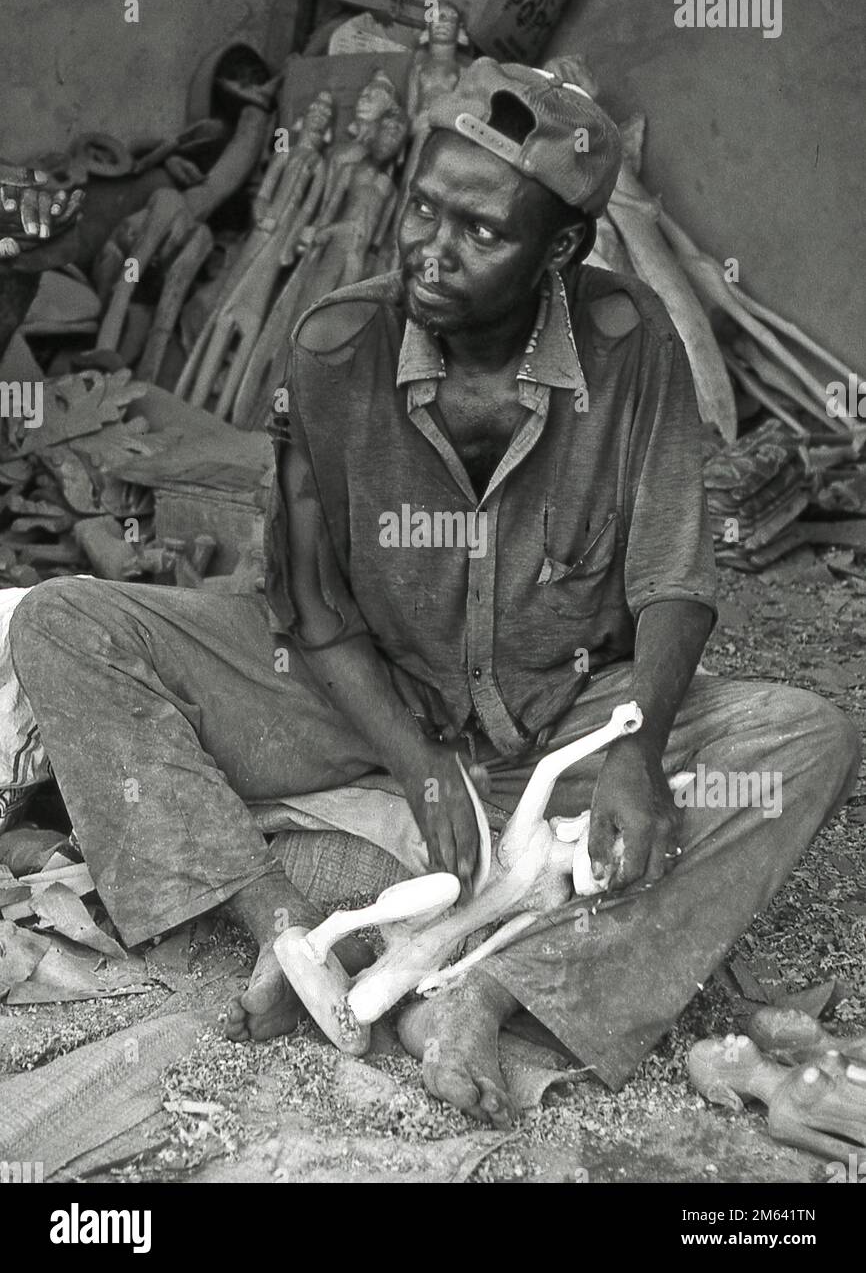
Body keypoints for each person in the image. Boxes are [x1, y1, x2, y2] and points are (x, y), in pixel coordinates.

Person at [8, 60, 859, 1130]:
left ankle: (498, 989)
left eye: (479, 233)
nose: (428, 249)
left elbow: (672, 578)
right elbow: (310, 606)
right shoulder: (332, 346)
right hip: (357, 701)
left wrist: (638, 749)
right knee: (65, 622)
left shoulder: (627, 343)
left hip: (562, 715)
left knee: (803, 740)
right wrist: (415, 767)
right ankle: (280, 929)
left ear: (560, 251)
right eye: (420, 207)